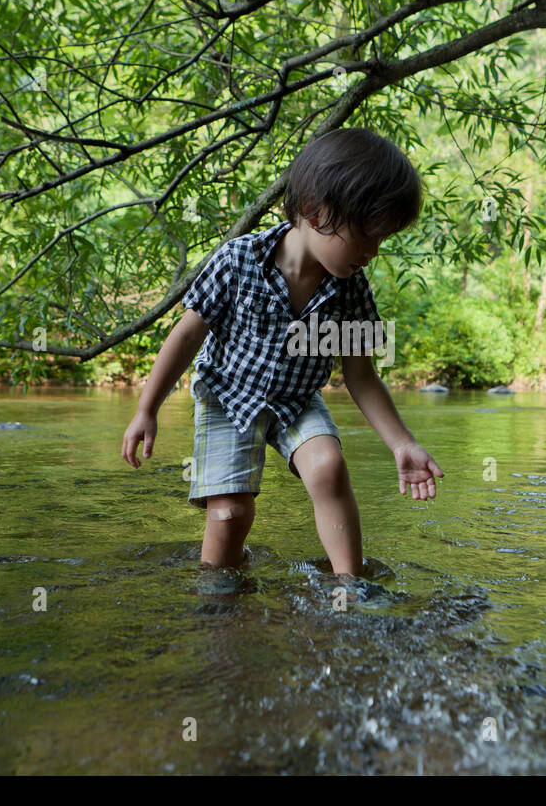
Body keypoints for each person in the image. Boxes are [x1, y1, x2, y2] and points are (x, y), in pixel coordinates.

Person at [121, 128, 444, 585]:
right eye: (367, 235)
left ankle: (349, 589)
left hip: (296, 398)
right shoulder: (239, 259)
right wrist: (146, 409)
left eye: (382, 240)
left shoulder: (348, 286)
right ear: (316, 209)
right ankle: (217, 597)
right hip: (227, 397)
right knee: (231, 513)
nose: (373, 252)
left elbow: (361, 375)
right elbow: (186, 335)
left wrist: (402, 443)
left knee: (328, 465)